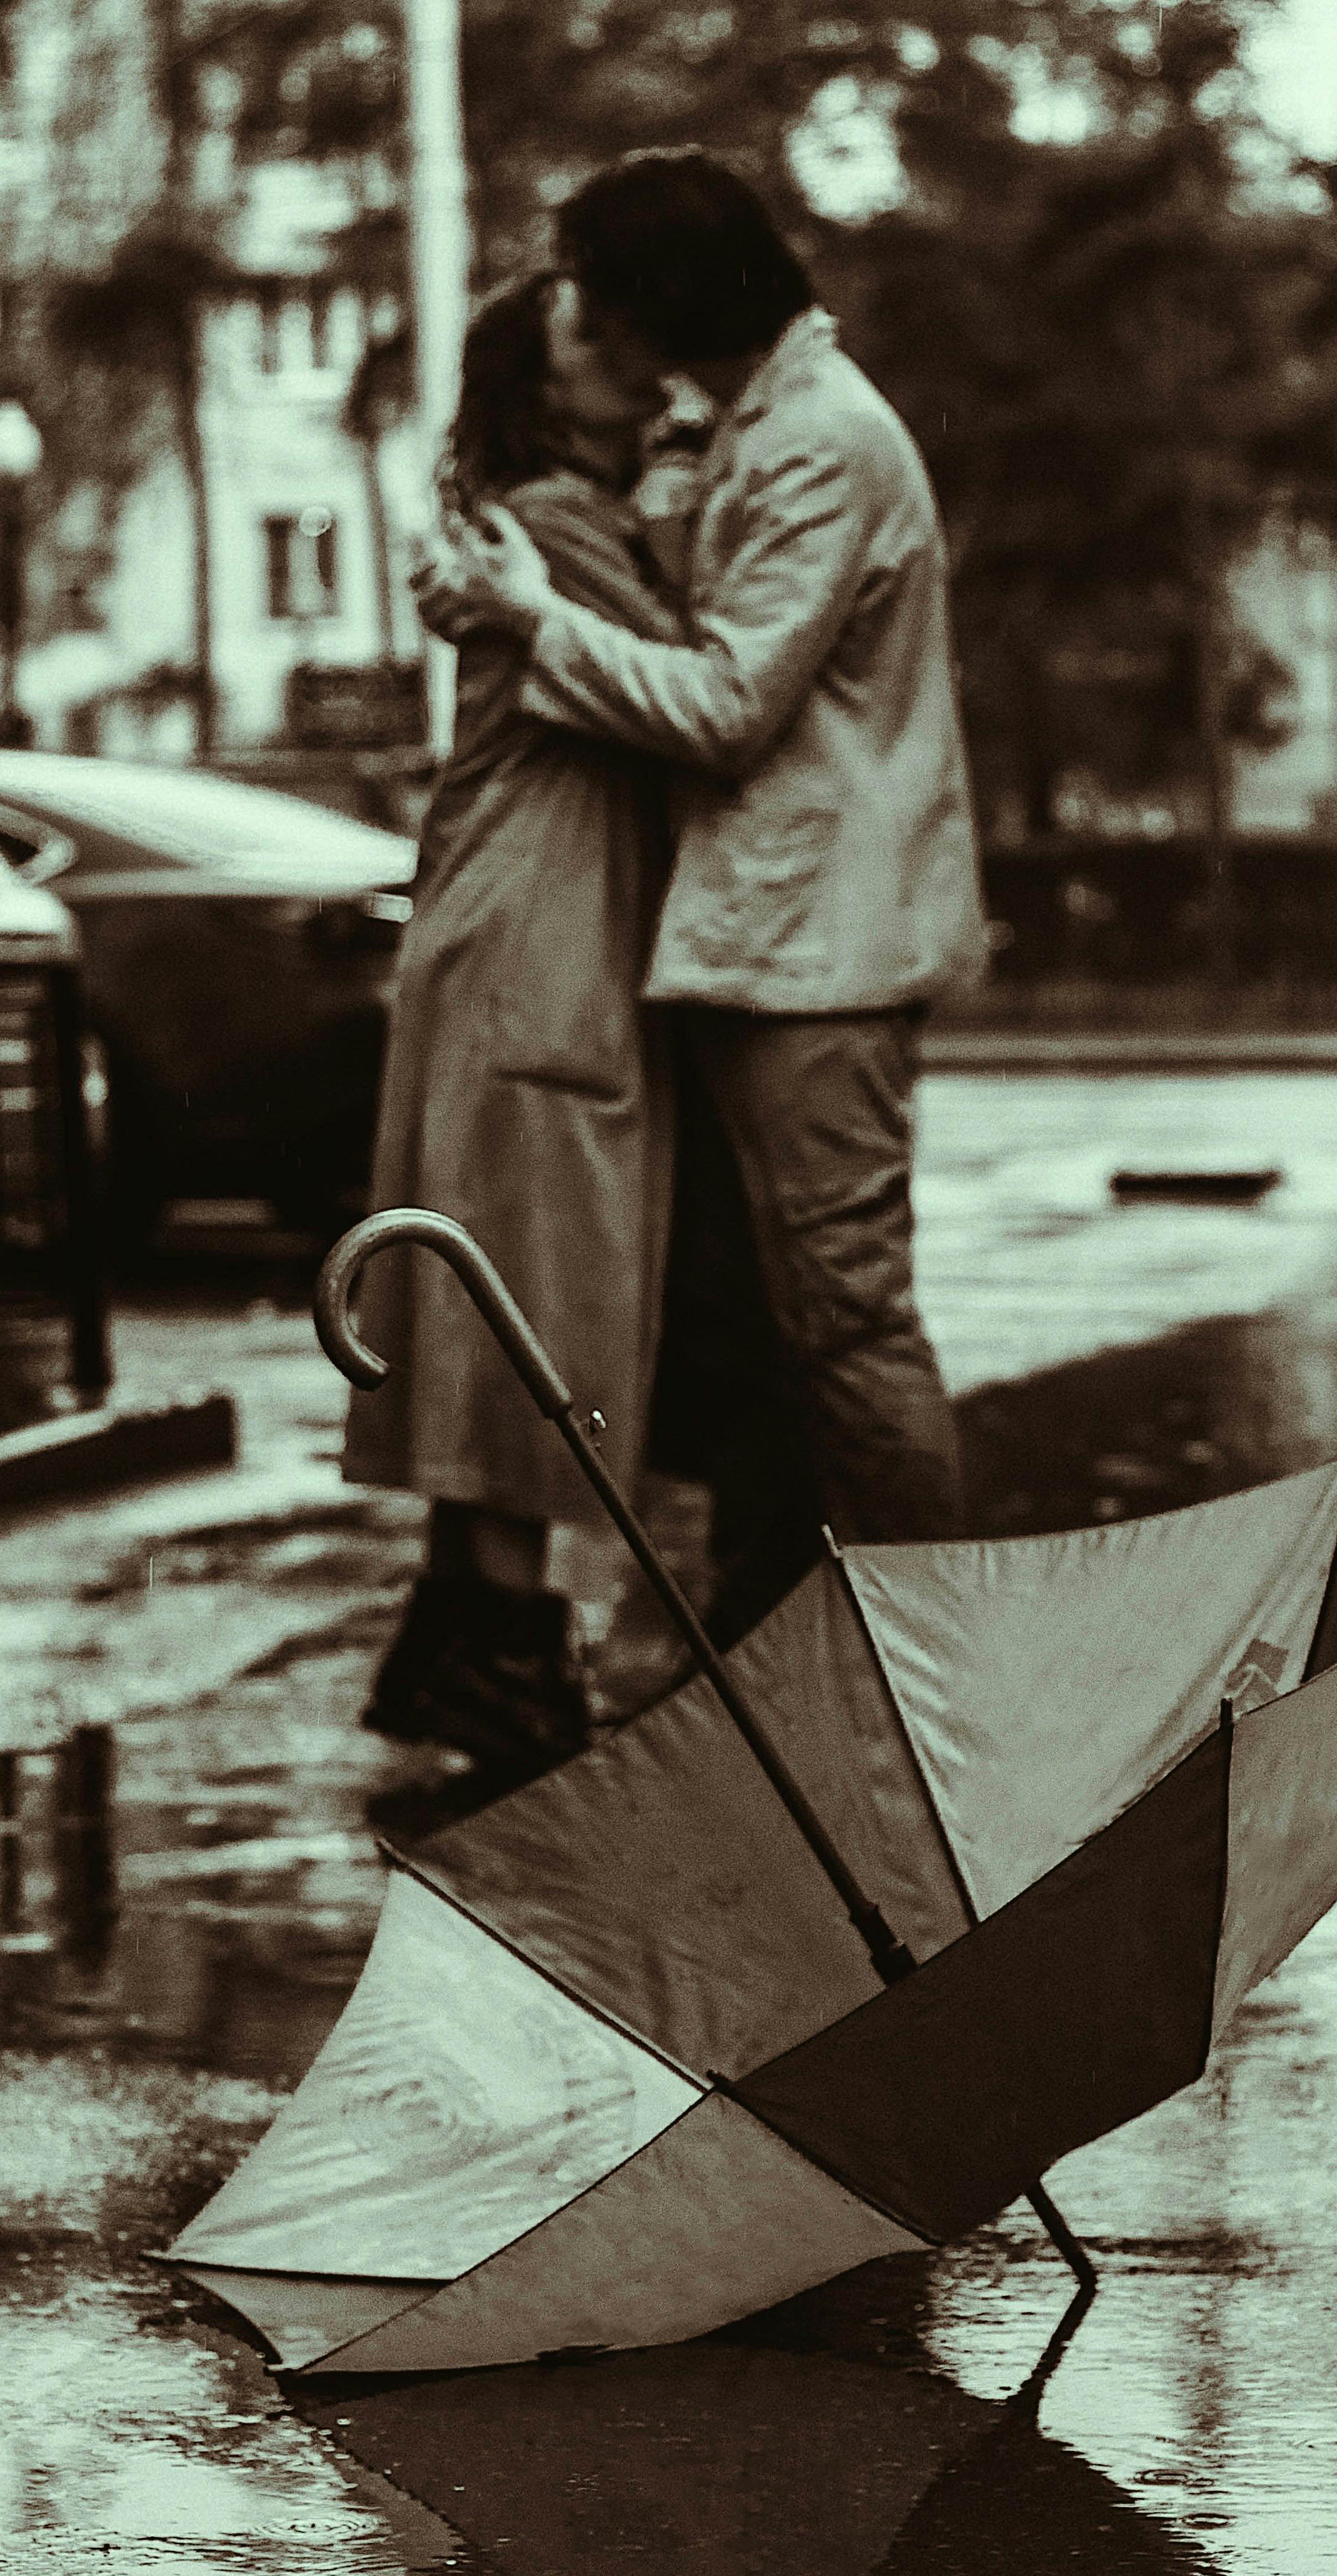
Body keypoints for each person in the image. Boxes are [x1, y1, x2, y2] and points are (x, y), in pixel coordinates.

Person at [415, 149, 988, 1647]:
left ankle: (939, 1644)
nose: (606, 345)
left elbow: (731, 697)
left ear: (673, 305)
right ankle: (792, 1625)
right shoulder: (755, 429)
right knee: (782, 1333)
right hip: (759, 943)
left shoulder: (817, 443)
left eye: (609, 312)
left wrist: (529, 612)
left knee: (845, 1323)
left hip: (816, 949)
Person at [344, 268, 684, 1777]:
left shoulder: (545, 524)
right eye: (593, 338)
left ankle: (476, 1648)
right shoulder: (550, 528)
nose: (629, 349)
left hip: (527, 940)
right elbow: (706, 685)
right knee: (523, 1318)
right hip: (531, 953)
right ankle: (494, 1657)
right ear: (543, 390)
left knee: (516, 1314)